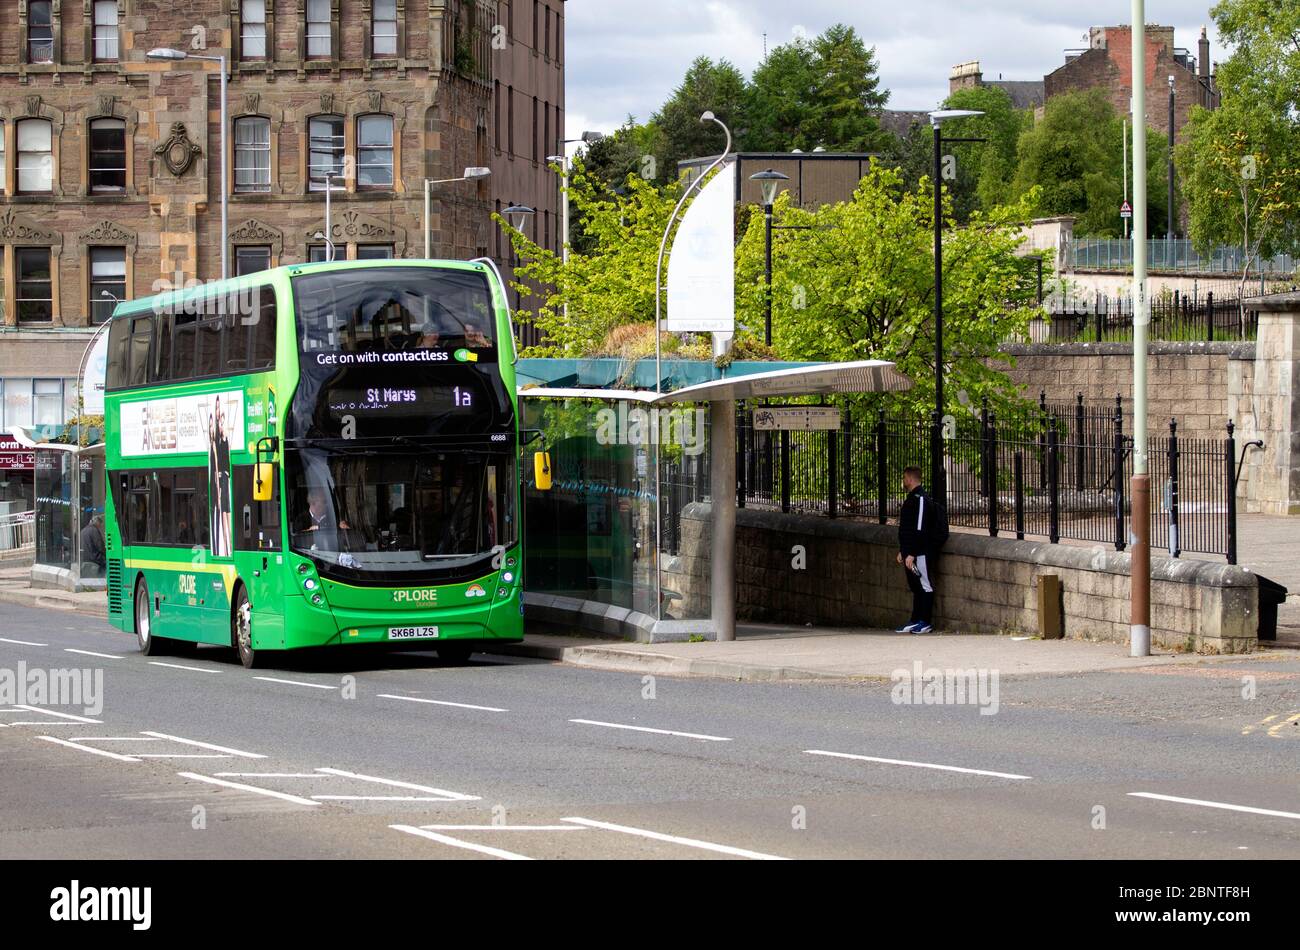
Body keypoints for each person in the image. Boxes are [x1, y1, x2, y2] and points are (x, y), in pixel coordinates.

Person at [896, 466, 944, 634]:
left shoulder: (921, 499)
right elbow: (906, 528)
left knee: (924, 584)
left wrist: (912, 552)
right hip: (911, 551)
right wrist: (903, 550)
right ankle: (915, 619)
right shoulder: (911, 499)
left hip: (921, 551)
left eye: (904, 478)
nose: (903, 481)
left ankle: (925, 621)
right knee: (915, 585)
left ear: (909, 478)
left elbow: (920, 528)